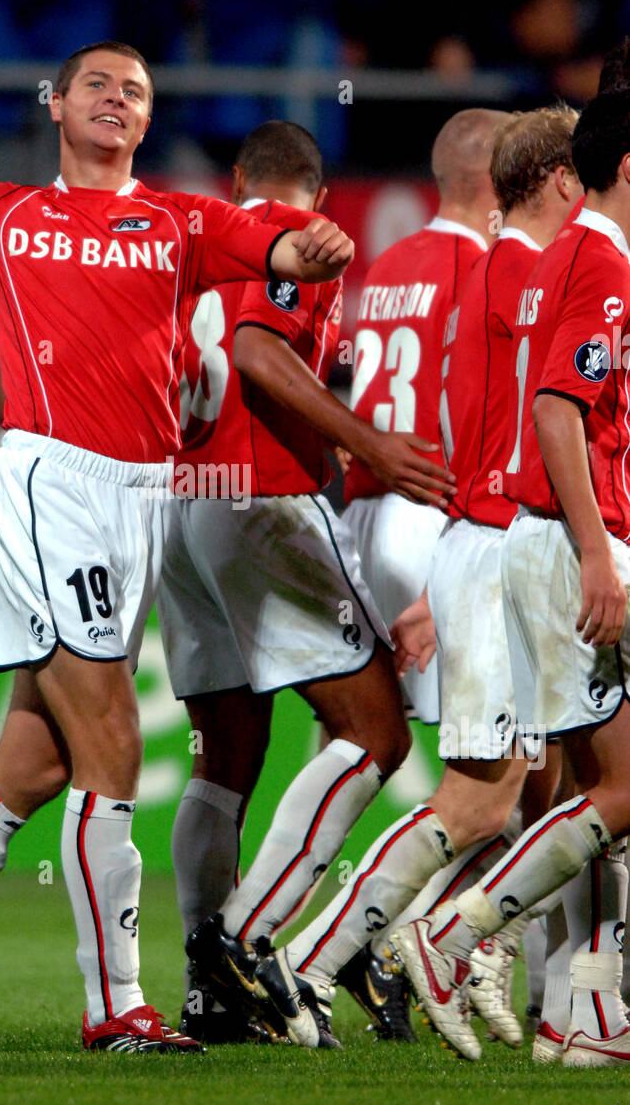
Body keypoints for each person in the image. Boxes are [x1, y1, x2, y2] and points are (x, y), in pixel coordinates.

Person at [0, 21, 352, 1054]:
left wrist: (305, 247)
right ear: (53, 108)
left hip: (140, 500)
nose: (116, 96)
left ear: (148, 118)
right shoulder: (2, 214)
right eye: (95, 84)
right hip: (54, 482)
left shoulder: (180, 221)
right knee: (111, 744)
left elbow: (272, 245)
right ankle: (114, 1004)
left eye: (135, 89)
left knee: (35, 762)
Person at [246, 106, 581, 1051]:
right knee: (494, 783)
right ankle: (358, 948)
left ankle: (405, 944)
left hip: (379, 506)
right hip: (446, 508)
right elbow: (500, 420)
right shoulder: (500, 271)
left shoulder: (383, 267)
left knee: (500, 769)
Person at [158, 120, 455, 1045]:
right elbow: (255, 351)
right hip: (263, 502)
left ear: (238, 174)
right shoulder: (300, 248)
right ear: (318, 201)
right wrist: (368, 445)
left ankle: (207, 984)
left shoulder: (195, 243)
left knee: (224, 757)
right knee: (375, 733)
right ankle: (246, 943)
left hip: (184, 505)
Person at [390, 87, 630, 1064]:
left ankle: (578, 1015)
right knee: (617, 793)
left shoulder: (564, 251)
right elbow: (553, 408)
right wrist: (590, 552)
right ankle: (453, 935)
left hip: (545, 539)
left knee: (592, 789)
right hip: (573, 542)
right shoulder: (603, 262)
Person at [343, 108, 510, 725]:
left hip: (362, 518)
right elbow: (476, 419)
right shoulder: (482, 272)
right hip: (433, 519)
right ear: (501, 180)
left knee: (373, 737)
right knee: (487, 749)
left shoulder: (388, 261)